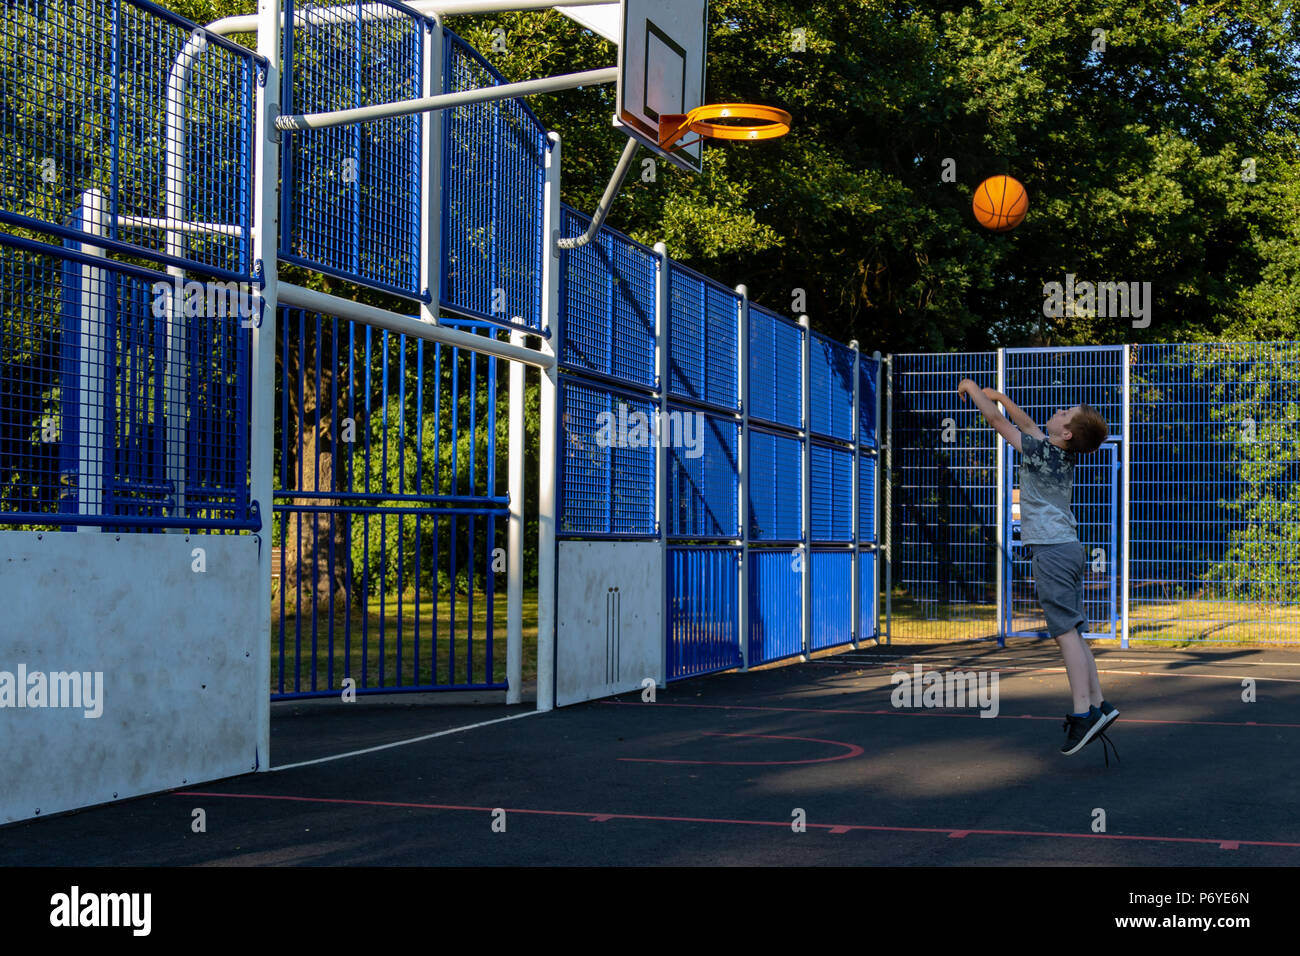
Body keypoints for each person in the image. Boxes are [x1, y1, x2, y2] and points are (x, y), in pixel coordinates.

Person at [956, 379, 1119, 755]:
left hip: (1052, 551)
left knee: (1064, 633)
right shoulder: (1055, 451)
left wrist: (974, 390)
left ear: (1065, 432)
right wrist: (1003, 397)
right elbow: (1025, 424)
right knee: (1074, 630)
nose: (1058, 411)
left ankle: (1084, 713)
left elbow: (1001, 425)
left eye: (1065, 414)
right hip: (1067, 548)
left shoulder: (1042, 453)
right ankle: (1100, 704)